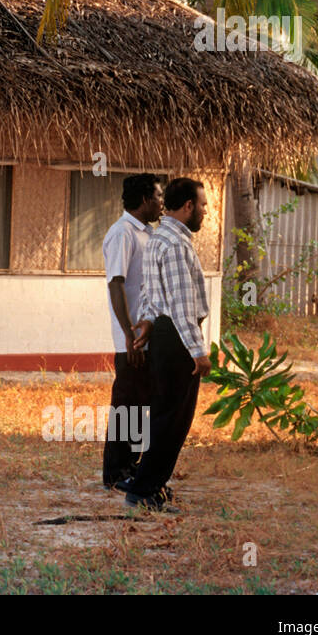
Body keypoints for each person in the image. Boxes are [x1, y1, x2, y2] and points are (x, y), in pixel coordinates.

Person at [125, 177, 210, 512]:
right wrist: (198, 351)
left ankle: (151, 484)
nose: (205, 212)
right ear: (187, 206)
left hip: (163, 334)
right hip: (176, 339)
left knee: (163, 416)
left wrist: (146, 320)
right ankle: (144, 491)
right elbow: (180, 305)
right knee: (173, 420)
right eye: (202, 205)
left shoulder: (159, 238)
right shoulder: (175, 245)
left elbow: (149, 292)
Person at [100, 173, 163, 490]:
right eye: (158, 196)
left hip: (146, 336)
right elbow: (116, 283)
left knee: (140, 404)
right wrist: (128, 334)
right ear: (144, 199)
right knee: (127, 404)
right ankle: (115, 473)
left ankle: (132, 467)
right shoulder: (123, 233)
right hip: (133, 339)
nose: (161, 203)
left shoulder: (148, 234)